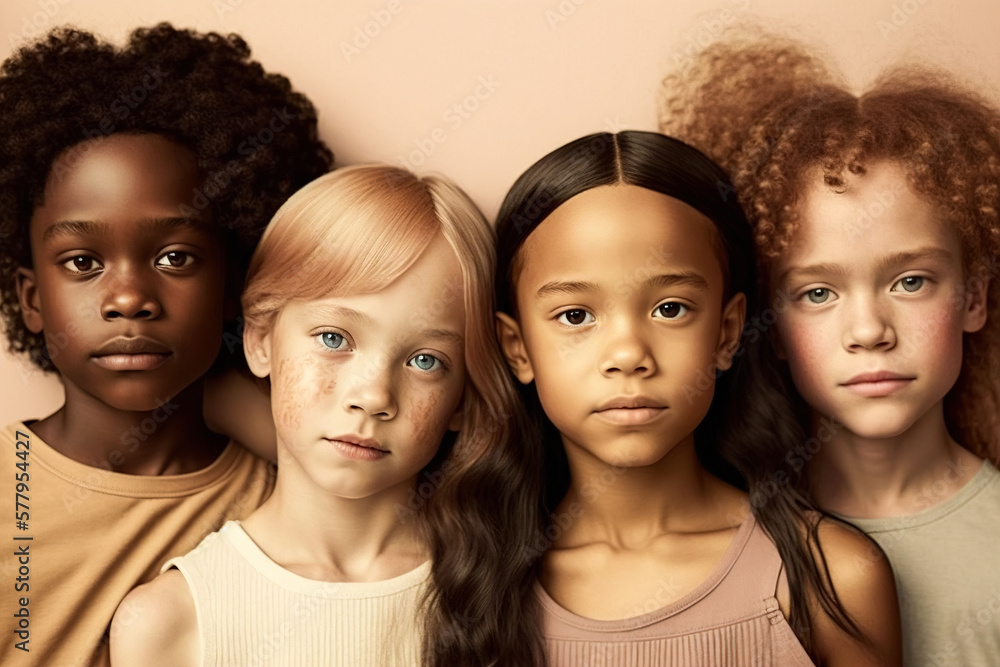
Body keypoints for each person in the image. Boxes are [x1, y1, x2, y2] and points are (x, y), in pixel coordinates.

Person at [493, 130, 902, 666]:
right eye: (576, 316)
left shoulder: (831, 579)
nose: (628, 354)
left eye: (670, 309)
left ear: (728, 333)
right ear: (518, 348)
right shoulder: (480, 591)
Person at [111, 165, 545, 666]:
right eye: (334, 339)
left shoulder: (515, 592)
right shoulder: (170, 620)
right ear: (259, 340)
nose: (373, 396)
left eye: (426, 360)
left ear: (463, 398)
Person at [659, 33, 1000, 666]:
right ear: (767, 321)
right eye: (817, 292)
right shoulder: (722, 538)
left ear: (974, 296)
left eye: (911, 281)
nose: (869, 329)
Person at [0, 23, 332, 666]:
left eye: (176, 256)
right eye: (81, 262)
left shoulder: (281, 507)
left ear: (234, 288)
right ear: (32, 299)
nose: (129, 297)